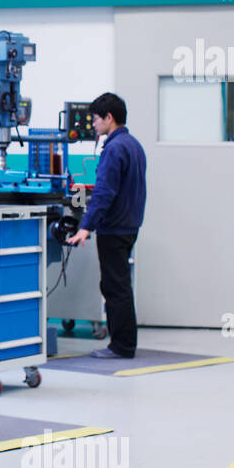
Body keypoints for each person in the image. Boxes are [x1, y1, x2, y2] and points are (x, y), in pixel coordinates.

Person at [66, 92, 146, 360]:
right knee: (121, 285)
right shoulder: (134, 145)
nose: (93, 125)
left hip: (114, 228)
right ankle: (125, 342)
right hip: (130, 225)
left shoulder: (114, 149)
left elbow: (104, 192)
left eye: (96, 119)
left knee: (114, 286)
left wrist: (86, 226)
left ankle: (121, 346)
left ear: (109, 118)